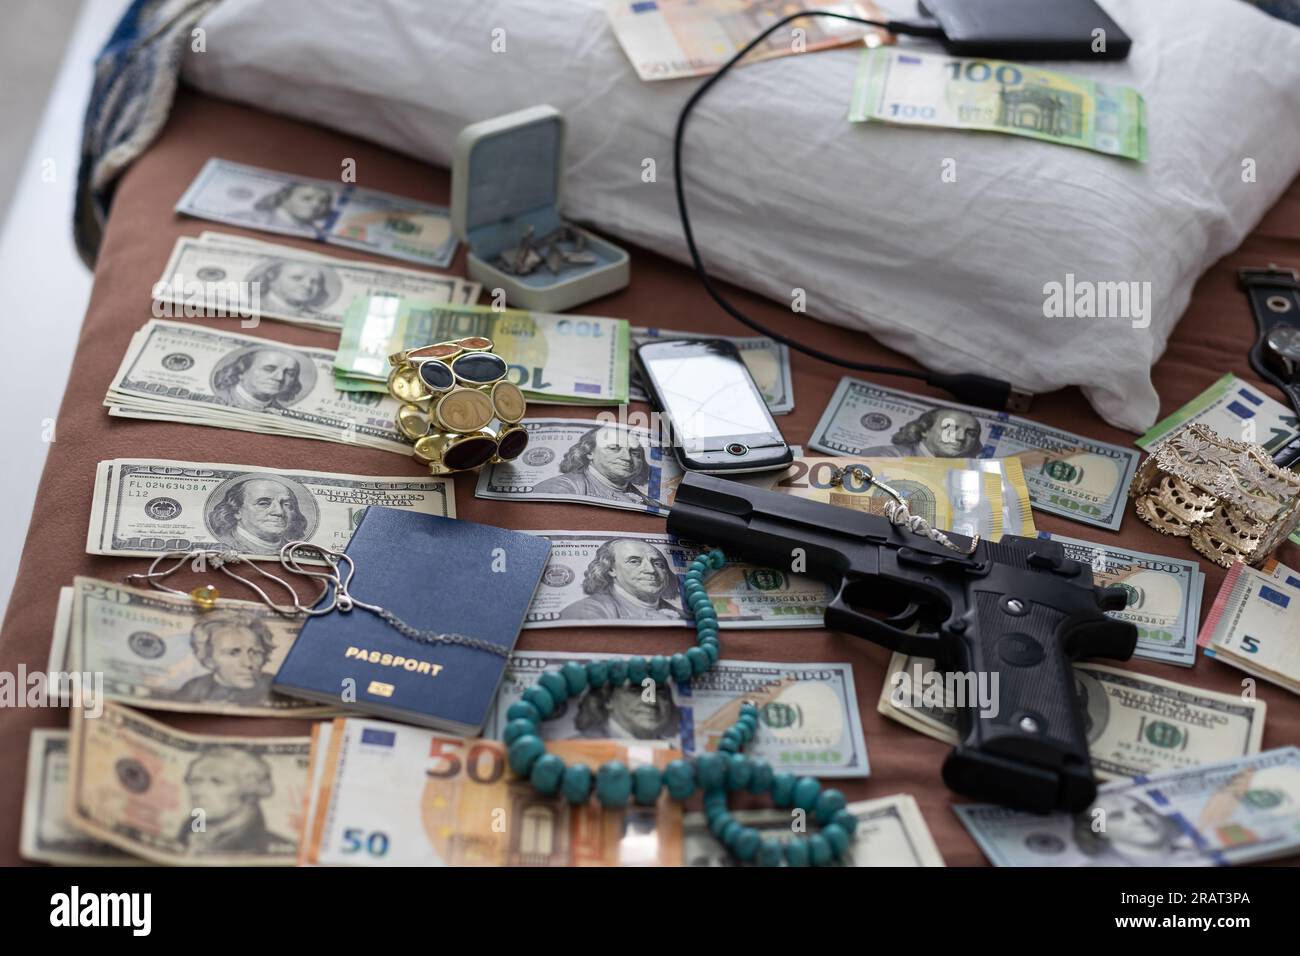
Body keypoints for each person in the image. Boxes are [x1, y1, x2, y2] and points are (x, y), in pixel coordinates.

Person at [176, 747, 294, 855]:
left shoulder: (280, 848)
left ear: (249, 789)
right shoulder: (182, 837)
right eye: (195, 781)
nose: (198, 792)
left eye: (217, 782)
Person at [560, 539, 683, 621]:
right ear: (611, 569)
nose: (651, 570)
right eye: (634, 561)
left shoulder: (681, 615)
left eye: (657, 563)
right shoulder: (584, 612)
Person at [534, 425, 657, 507]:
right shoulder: (560, 489)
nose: (627, 458)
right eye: (614, 448)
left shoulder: (652, 504)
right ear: (589, 452)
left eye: (635, 453)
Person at [170, 613, 277, 705]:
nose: (248, 663)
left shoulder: (276, 685)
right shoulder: (193, 688)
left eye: (255, 652)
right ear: (209, 659)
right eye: (233, 653)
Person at [208, 476, 311, 554]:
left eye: (286, 504)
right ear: (237, 511)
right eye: (263, 503)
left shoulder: (294, 548)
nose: (279, 512)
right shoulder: (224, 544)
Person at [573, 682, 681, 741]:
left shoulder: (683, 761)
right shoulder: (573, 751)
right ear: (607, 699)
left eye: (660, 693)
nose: (651, 701)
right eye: (635, 690)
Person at [861, 407, 984, 458]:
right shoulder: (884, 455)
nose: (961, 437)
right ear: (925, 430)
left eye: (971, 434)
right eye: (950, 428)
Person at [212, 347, 306, 410]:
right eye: (269, 369)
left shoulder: (282, 412)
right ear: (241, 371)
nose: (280, 377)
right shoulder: (214, 400)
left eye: (290, 373)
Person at [233, 182, 335, 232]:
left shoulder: (317, 232)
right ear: (284, 199)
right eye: (307, 198)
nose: (316, 205)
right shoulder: (247, 219)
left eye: (323, 201)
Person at [247, 259, 336, 315]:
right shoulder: (252, 305)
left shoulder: (312, 315)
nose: (308, 285)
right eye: (297, 278)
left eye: (315, 282)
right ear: (272, 277)